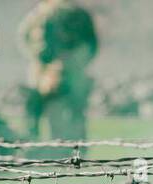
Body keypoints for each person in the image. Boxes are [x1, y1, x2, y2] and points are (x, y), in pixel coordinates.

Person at [20, 0, 99, 140]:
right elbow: (92, 44)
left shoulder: (41, 13)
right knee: (72, 111)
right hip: (58, 69)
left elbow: (25, 38)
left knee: (41, 110)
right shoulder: (46, 13)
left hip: (57, 70)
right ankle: (73, 145)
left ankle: (37, 142)